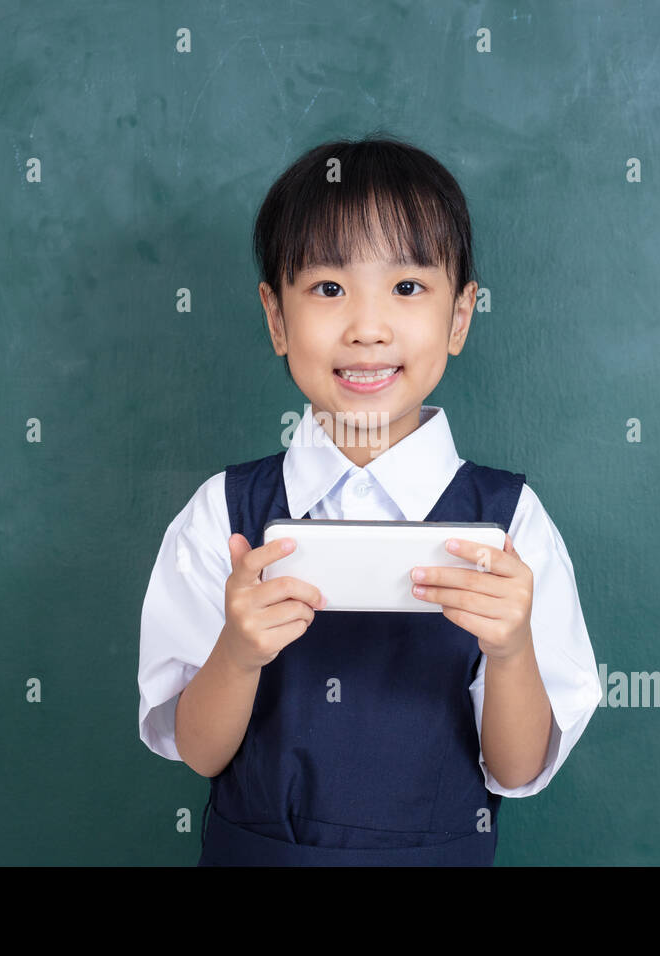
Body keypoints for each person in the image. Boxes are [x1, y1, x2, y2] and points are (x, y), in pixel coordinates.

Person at [138, 133, 602, 865]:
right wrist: (237, 651)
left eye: (407, 287)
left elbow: (515, 772)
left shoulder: (510, 523)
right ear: (276, 318)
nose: (367, 327)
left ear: (460, 317)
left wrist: (511, 651)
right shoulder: (223, 515)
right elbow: (199, 753)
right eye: (328, 288)